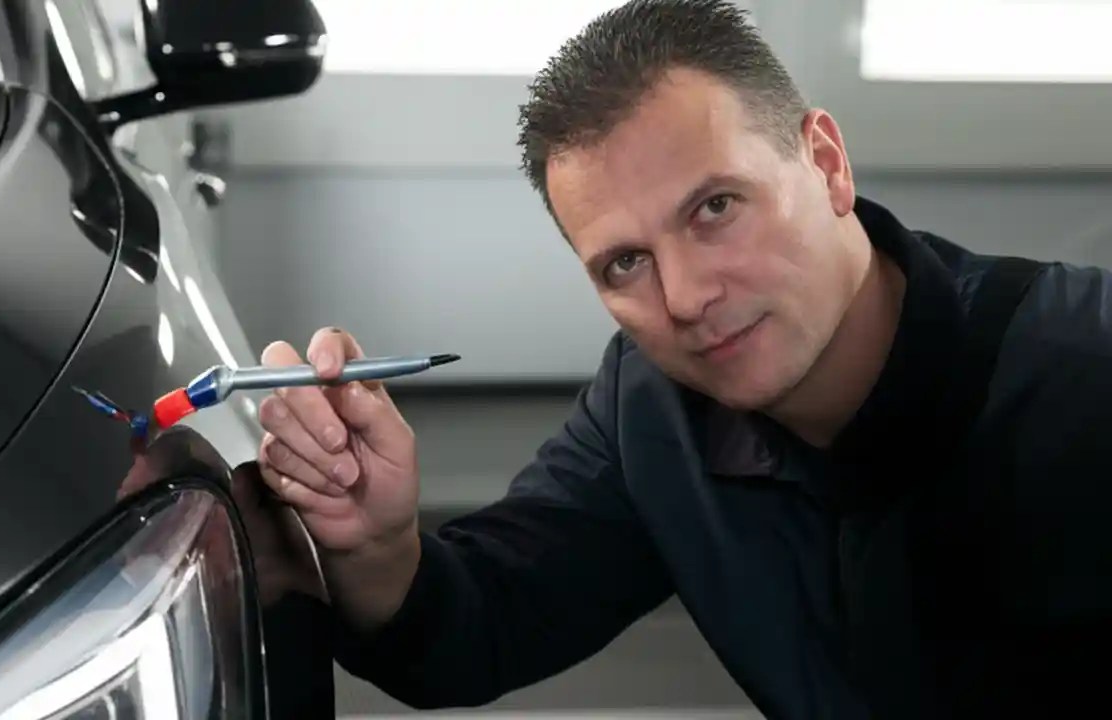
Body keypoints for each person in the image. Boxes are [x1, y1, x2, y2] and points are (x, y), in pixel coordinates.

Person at [250, 1, 1111, 717]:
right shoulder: (650, 405)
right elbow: (484, 626)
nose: (687, 297)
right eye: (625, 263)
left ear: (825, 163)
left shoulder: (1085, 369)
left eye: (716, 207)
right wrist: (376, 545)